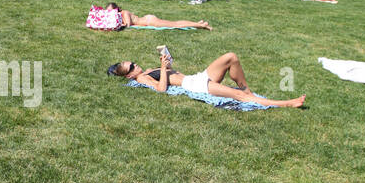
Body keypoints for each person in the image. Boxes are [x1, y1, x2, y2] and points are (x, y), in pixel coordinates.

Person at [109, 48, 305, 107]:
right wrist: (162, 68)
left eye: (133, 62)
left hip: (197, 77)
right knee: (238, 98)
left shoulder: (144, 71)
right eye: (132, 67)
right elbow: (161, 89)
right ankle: (285, 103)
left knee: (231, 57)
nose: (136, 65)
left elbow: (170, 75)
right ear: (129, 75)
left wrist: (166, 64)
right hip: (195, 86)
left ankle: (248, 90)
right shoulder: (140, 79)